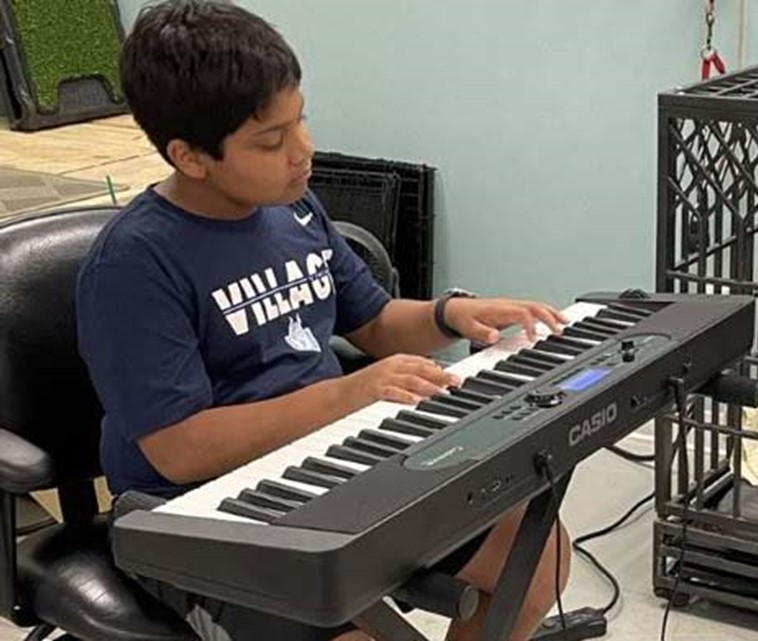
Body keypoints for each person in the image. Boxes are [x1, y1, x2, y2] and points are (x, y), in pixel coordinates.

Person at [76, 2, 570, 639]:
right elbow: (179, 450)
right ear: (191, 156)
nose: (303, 151)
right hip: (196, 515)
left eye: (300, 121)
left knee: (537, 555)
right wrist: (347, 394)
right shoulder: (134, 264)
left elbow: (375, 321)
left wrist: (451, 315)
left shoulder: (294, 211)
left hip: (330, 462)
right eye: (271, 141)